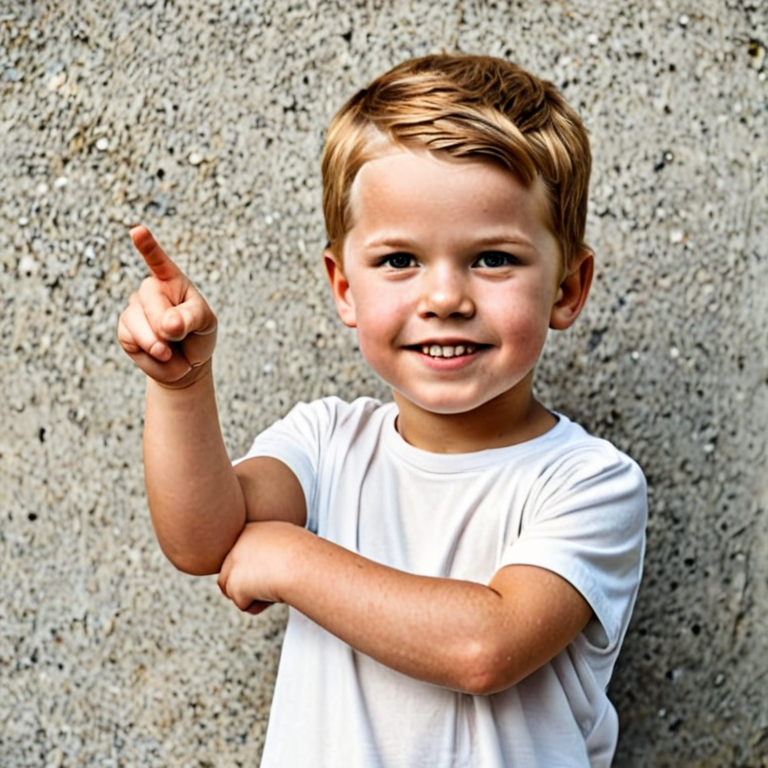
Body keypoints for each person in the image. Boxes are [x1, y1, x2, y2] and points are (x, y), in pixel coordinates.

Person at [118, 54, 647, 768]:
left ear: (567, 288)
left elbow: (484, 648)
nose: (445, 298)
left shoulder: (590, 483)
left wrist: (290, 558)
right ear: (343, 287)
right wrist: (182, 386)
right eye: (399, 260)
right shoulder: (326, 441)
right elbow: (202, 541)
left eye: (493, 258)